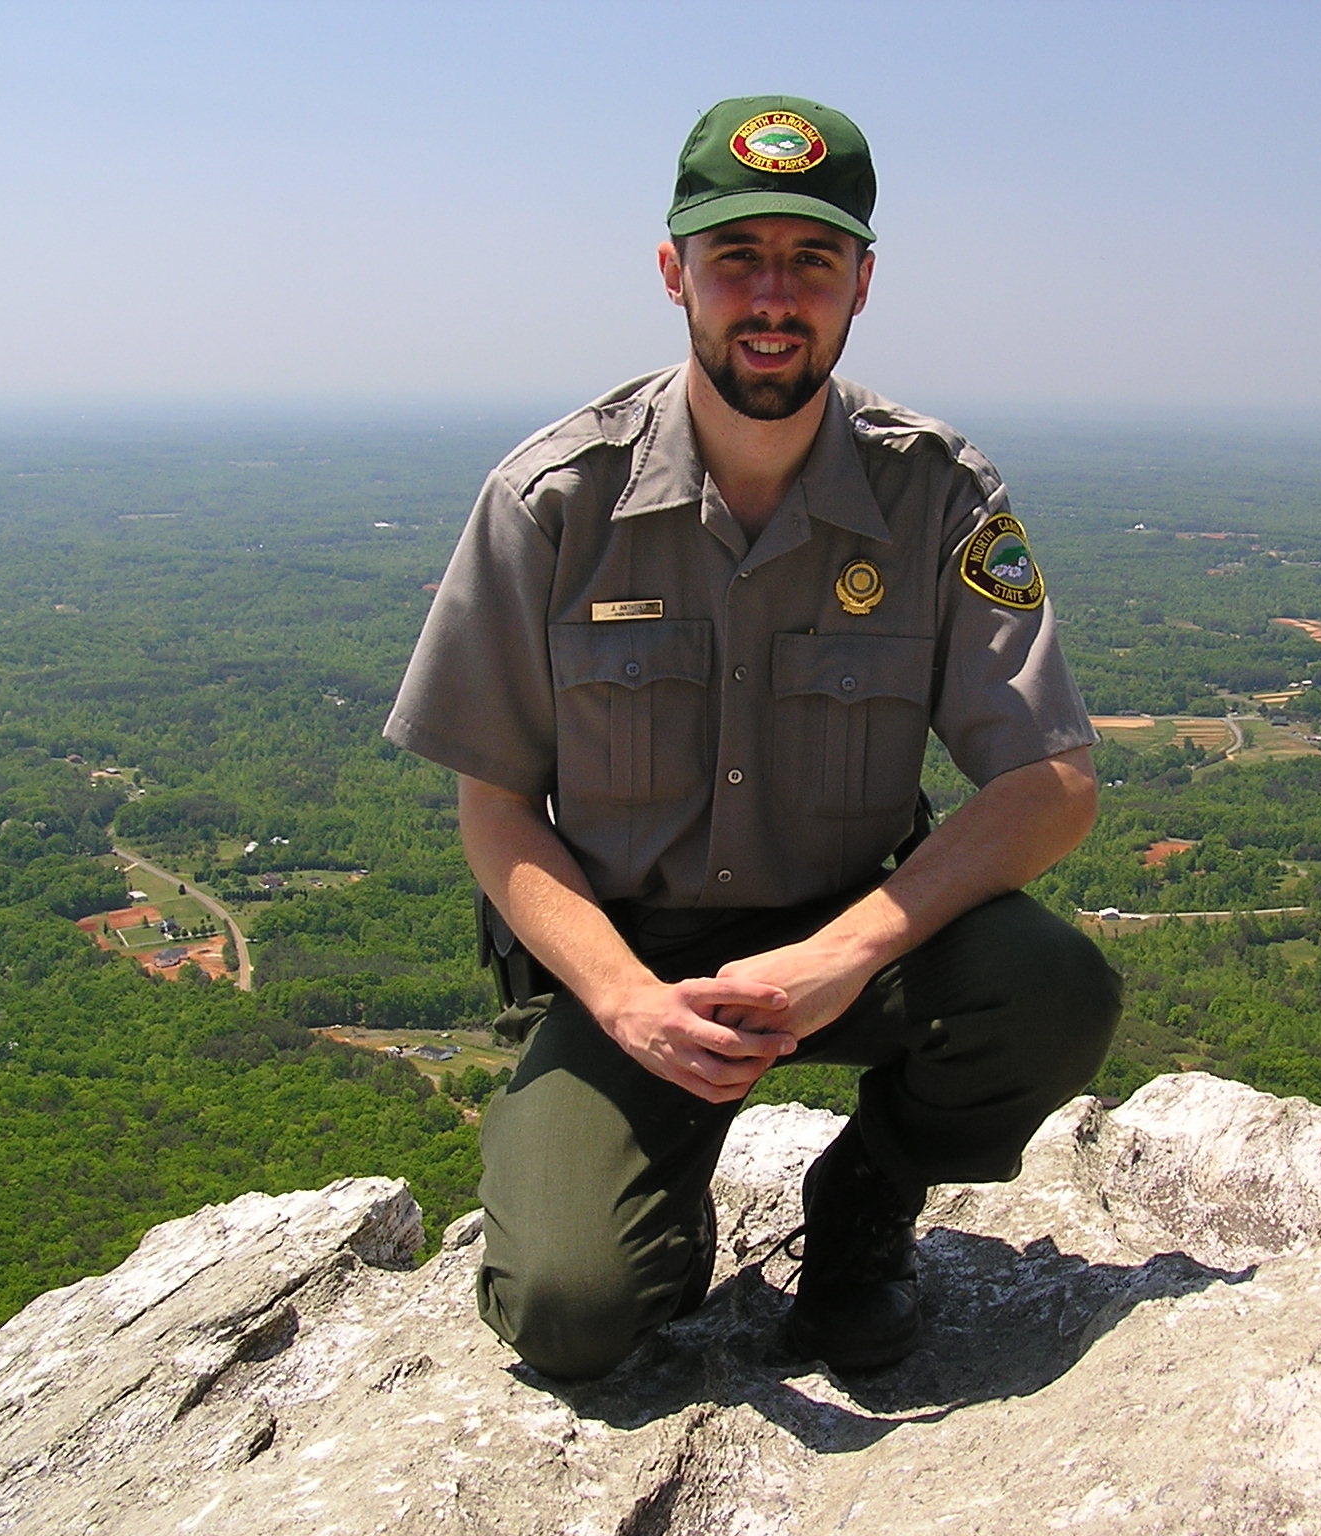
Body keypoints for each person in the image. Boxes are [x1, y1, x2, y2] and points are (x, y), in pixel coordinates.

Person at [384, 95, 1121, 1381]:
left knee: (1051, 990)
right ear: (674, 273)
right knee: (570, 1308)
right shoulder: (554, 501)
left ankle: (861, 1216)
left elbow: (1051, 785)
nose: (771, 297)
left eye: (811, 261)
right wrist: (623, 1005)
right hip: (633, 955)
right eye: (737, 258)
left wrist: (840, 957)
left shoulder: (933, 491)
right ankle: (649, 1211)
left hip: (854, 924)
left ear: (861, 285)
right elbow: (494, 812)